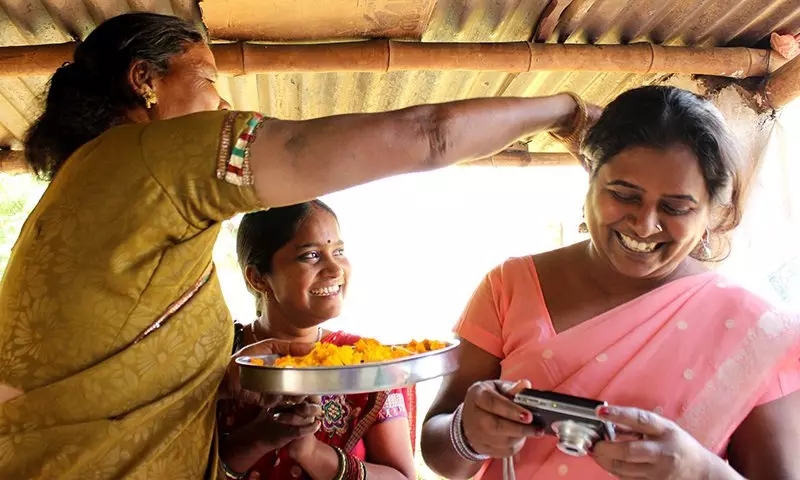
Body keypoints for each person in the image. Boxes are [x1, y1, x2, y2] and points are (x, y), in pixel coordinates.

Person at [0, 11, 598, 479]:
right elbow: (427, 136)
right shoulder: (158, 158)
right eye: (206, 80)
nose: (222, 105)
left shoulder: (78, 191)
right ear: (145, 81)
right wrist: (564, 111)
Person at [420, 85, 800, 480]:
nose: (644, 224)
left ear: (709, 213)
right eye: (623, 195)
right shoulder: (510, 286)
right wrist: (467, 431)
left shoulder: (753, 329)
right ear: (590, 178)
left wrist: (696, 470)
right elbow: (439, 453)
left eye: (675, 208)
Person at [218, 202, 415, 480]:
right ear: (258, 278)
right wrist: (258, 438)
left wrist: (313, 453)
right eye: (310, 255)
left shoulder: (364, 362)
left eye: (339, 252)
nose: (335, 269)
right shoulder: (219, 361)